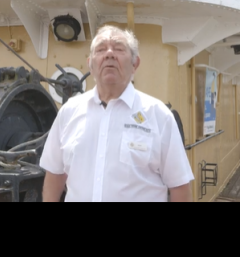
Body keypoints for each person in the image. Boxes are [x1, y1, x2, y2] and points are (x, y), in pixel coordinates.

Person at [40, 24, 194, 202]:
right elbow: (54, 174)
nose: (109, 54)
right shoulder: (68, 112)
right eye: (101, 49)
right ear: (91, 64)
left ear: (135, 64)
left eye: (119, 49)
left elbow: (179, 185)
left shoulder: (158, 115)